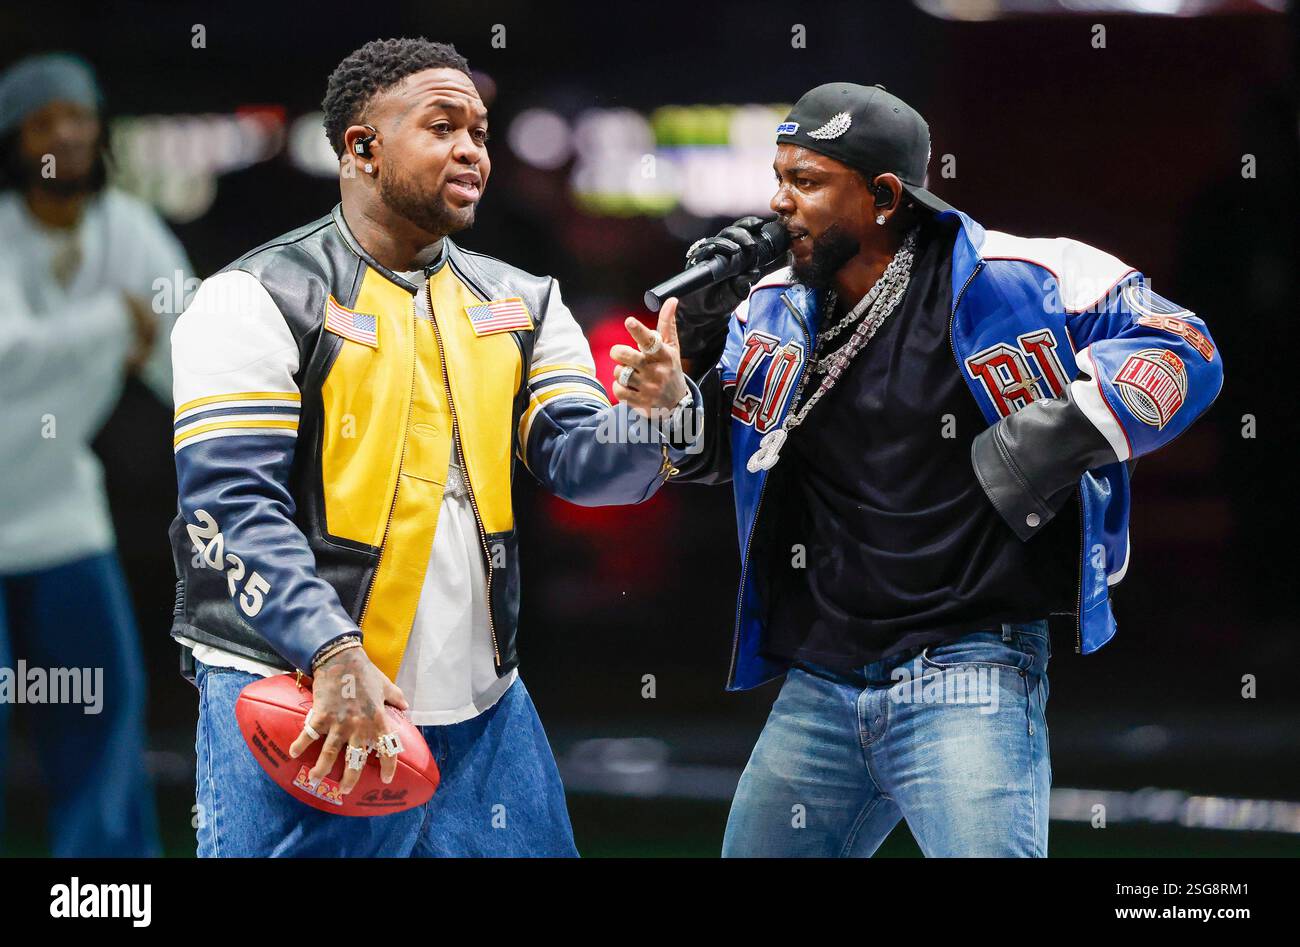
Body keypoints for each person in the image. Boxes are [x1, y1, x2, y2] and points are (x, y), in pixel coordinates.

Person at [614, 82, 1224, 857]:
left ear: (883, 195)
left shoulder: (1021, 276)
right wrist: (672, 401)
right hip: (822, 682)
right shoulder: (769, 307)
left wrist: (1063, 431)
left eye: (805, 181)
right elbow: (720, 452)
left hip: (969, 673)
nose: (777, 203)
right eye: (778, 178)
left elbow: (1187, 343)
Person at [170, 37, 700, 857]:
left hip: (485, 711)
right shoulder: (249, 298)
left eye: (480, 132)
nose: (471, 151)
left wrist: (661, 417)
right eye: (442, 125)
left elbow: (584, 466)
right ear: (362, 147)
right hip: (310, 693)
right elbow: (230, 510)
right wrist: (333, 651)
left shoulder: (524, 300)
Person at [0, 52, 187, 856]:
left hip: (63, 516)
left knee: (102, 707)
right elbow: (11, 355)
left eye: (78, 117)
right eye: (44, 122)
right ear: (14, 141)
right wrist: (115, 324)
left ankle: (104, 888)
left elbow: (192, 357)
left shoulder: (130, 230)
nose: (66, 135)